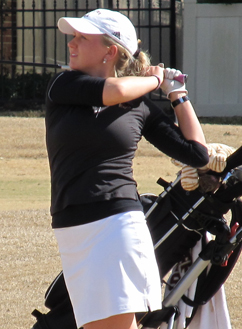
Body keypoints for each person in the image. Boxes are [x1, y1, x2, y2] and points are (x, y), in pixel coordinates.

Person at [44, 8, 211, 329]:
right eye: (73, 36)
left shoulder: (140, 107)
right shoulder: (64, 85)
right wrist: (153, 79)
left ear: (110, 51)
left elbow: (198, 154)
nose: (71, 43)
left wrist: (177, 94)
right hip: (72, 229)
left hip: (116, 224)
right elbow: (115, 91)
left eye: (82, 37)